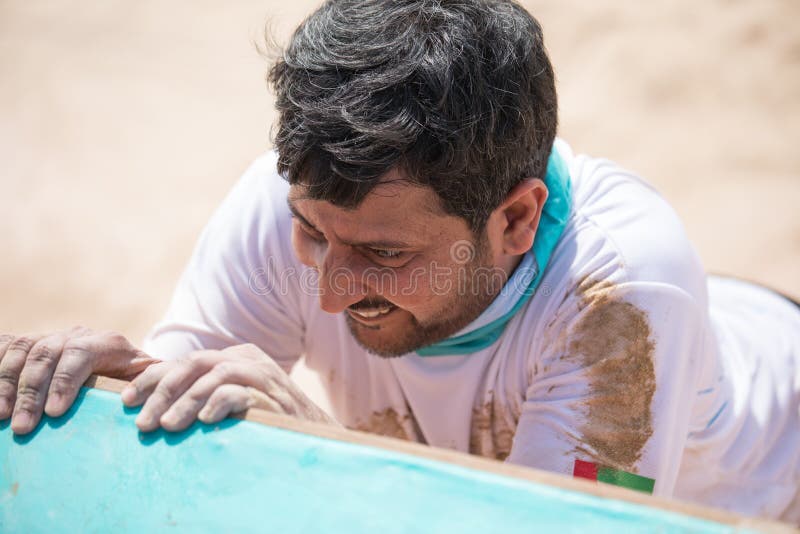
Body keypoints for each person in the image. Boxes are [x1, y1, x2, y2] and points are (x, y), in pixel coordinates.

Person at [1, 0, 798, 521]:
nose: (330, 290)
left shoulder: (617, 299)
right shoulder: (296, 204)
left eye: (384, 253)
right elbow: (175, 421)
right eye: (315, 235)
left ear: (517, 219)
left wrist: (317, 447)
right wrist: (111, 385)